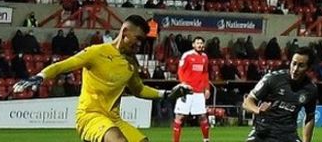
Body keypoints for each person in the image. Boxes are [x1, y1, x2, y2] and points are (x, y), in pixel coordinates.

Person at [13, 15, 190, 142]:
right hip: (90, 116)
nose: (139, 44)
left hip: (114, 119)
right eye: (137, 39)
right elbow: (63, 65)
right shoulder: (96, 52)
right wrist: (40, 76)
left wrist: (166, 94)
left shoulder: (130, 63)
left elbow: (139, 89)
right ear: (125, 32)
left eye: (142, 41)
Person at [242, 50, 318, 142]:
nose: (295, 69)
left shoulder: (310, 89)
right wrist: (258, 110)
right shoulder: (273, 79)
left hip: (288, 135)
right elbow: (247, 102)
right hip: (263, 133)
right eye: (293, 64)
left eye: (301, 66)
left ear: (308, 68)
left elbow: (310, 117)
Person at [174, 36, 212, 142]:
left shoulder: (205, 57)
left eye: (201, 43)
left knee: (203, 117)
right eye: (197, 43)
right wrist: (184, 84)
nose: (199, 45)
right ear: (193, 45)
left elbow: (205, 73)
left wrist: (207, 88)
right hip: (187, 91)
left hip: (199, 92)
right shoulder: (187, 55)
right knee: (179, 117)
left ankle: (206, 139)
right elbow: (180, 71)